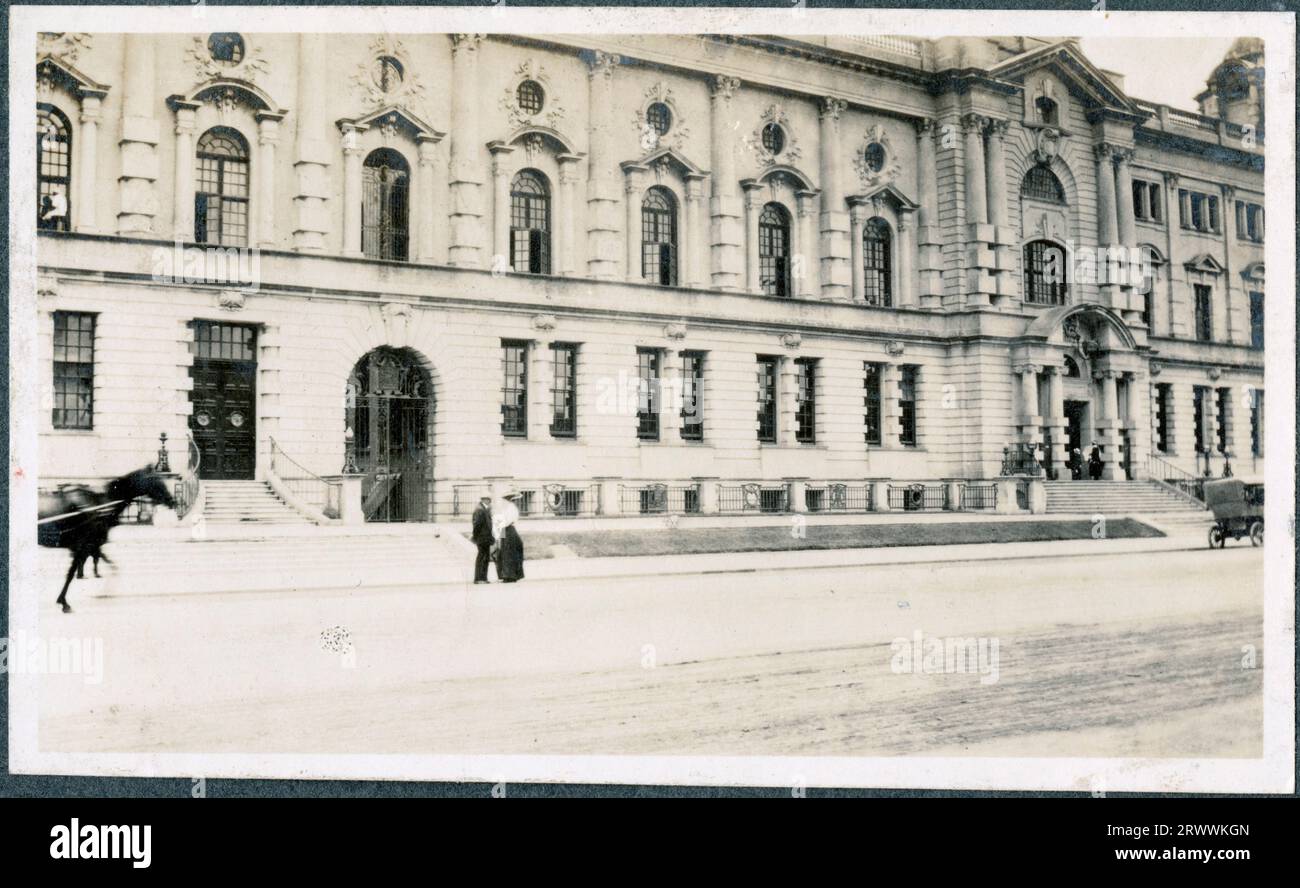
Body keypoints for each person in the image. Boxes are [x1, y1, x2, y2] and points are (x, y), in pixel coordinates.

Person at [493, 492, 525, 583]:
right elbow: (502, 521)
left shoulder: (508, 508)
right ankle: (509, 575)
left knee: (508, 552)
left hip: (507, 529)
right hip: (507, 529)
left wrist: (498, 533)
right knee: (508, 553)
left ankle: (509, 574)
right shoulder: (508, 508)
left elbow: (503, 521)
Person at [470, 495, 494, 584]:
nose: (490, 501)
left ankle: (483, 578)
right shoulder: (480, 510)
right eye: (488, 499)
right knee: (482, 557)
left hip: (485, 537)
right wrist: (475, 536)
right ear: (484, 500)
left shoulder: (484, 509)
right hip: (482, 537)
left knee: (485, 557)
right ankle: (479, 578)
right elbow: (476, 525)